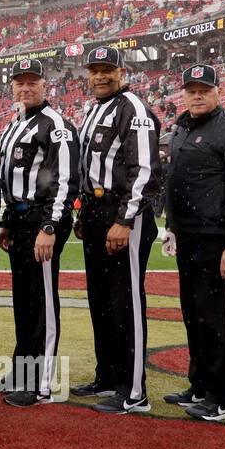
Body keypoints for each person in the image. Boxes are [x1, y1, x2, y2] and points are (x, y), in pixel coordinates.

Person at [160, 64, 225, 423]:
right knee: (195, 316)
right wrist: (171, 225)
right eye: (191, 90)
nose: (197, 95)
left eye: (204, 89)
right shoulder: (182, 128)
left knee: (218, 320)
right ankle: (201, 385)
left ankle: (224, 398)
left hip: (218, 240)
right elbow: (175, 181)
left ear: (218, 91)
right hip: (189, 238)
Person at [73, 46, 161, 414]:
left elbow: (143, 171)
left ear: (122, 72)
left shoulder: (133, 108)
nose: (100, 76)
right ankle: (108, 374)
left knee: (125, 302)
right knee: (102, 301)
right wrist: (82, 213)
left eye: (108, 69)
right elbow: (88, 165)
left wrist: (124, 220)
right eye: (95, 70)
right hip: (95, 211)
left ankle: (134, 389)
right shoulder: (96, 109)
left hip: (120, 212)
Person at [0, 58, 78, 407]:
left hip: (41, 221)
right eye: (19, 82)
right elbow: (11, 181)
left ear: (46, 85)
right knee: (24, 303)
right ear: (12, 86)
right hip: (20, 221)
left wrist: (50, 227)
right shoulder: (16, 124)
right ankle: (22, 371)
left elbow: (64, 182)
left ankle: (42, 383)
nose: (25, 88)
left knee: (42, 302)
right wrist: (6, 219)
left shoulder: (55, 124)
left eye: (32, 82)